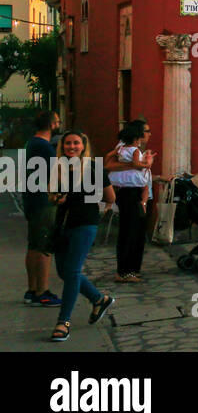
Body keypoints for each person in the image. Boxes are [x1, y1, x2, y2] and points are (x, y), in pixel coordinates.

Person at [49, 131, 115, 342]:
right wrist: (56, 199)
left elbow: (110, 197)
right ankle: (98, 299)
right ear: (62, 146)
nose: (72, 146)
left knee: (73, 270)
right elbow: (51, 196)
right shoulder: (56, 168)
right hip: (62, 225)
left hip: (85, 224)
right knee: (64, 272)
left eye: (76, 143)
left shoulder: (95, 168)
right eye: (68, 143)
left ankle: (63, 322)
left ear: (83, 145)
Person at [106, 119, 154, 283]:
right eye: (146, 131)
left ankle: (133, 268)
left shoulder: (136, 150)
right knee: (128, 231)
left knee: (138, 232)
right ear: (138, 134)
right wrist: (143, 164)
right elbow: (109, 164)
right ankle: (124, 271)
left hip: (138, 192)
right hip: (128, 192)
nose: (148, 134)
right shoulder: (125, 148)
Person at [23, 110, 62, 308]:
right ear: (52, 124)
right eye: (57, 121)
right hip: (43, 201)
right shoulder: (45, 147)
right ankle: (42, 291)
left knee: (33, 245)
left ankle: (32, 289)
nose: (59, 124)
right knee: (44, 246)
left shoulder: (32, 143)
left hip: (32, 199)